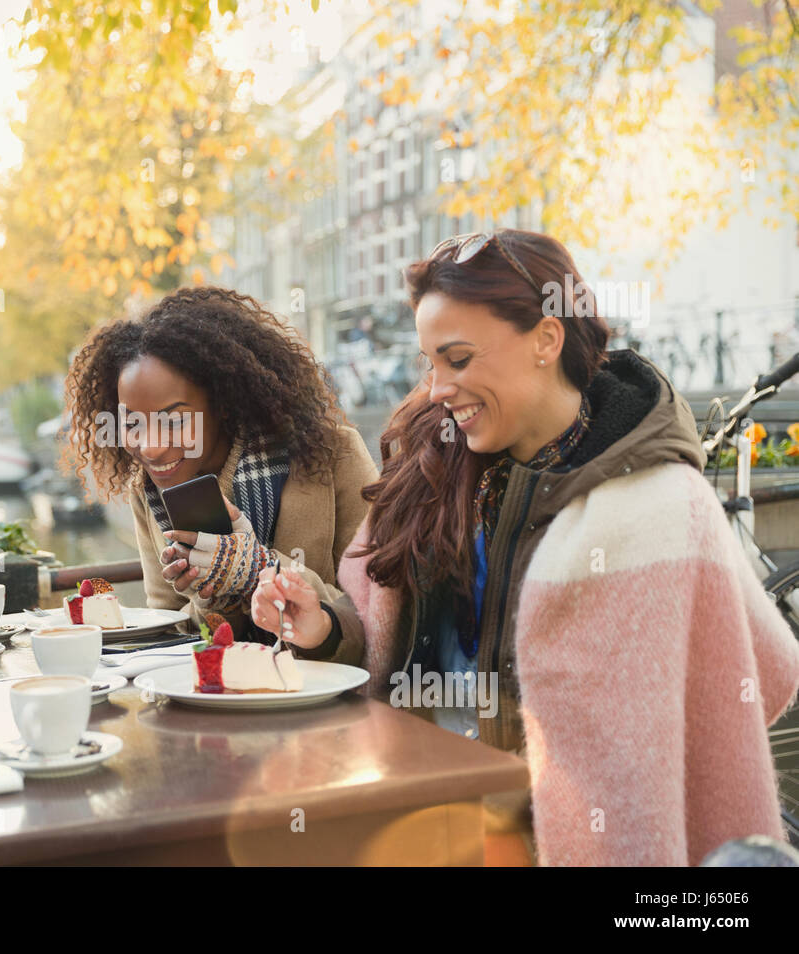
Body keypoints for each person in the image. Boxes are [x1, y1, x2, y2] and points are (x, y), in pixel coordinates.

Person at [252, 229, 799, 865]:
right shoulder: (429, 467)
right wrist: (325, 628)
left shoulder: (663, 507)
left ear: (546, 339)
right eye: (430, 365)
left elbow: (756, 673)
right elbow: (383, 632)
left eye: (458, 360)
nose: (435, 389)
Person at [64, 286, 378, 639]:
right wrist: (213, 595)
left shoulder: (332, 454)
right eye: (132, 423)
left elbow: (375, 616)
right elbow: (168, 632)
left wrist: (258, 570)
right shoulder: (149, 489)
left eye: (175, 420)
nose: (149, 448)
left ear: (223, 404)